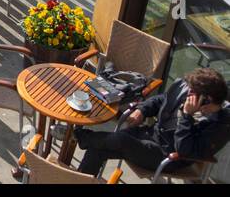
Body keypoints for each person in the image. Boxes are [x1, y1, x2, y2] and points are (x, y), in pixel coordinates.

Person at [76, 67, 230, 178]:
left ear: (207, 100)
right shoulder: (190, 94)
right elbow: (162, 100)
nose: (188, 95)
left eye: (192, 94)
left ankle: (79, 135)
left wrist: (187, 116)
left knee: (119, 140)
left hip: (167, 155)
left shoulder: (220, 127)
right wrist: (142, 110)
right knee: (97, 149)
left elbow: (185, 150)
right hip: (150, 135)